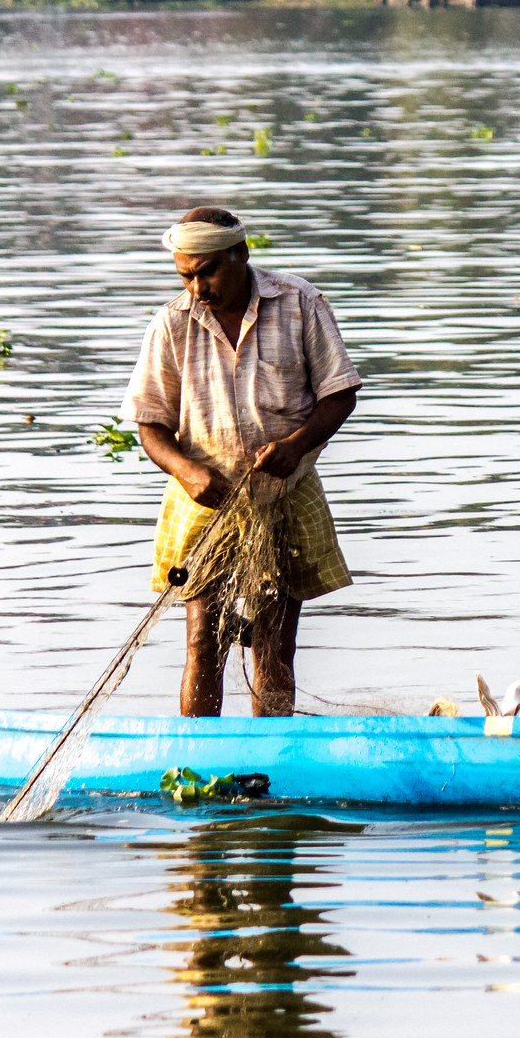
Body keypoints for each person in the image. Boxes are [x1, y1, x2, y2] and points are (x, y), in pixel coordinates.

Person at [120, 207, 362, 717]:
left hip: (285, 491)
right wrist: (187, 471)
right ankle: (203, 756)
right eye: (185, 275)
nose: (196, 287)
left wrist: (296, 445)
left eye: (206, 271)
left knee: (273, 646)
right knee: (202, 642)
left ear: (241, 256)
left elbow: (339, 395)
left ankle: (269, 762)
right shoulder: (171, 324)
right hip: (204, 497)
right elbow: (150, 425)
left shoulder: (298, 302)